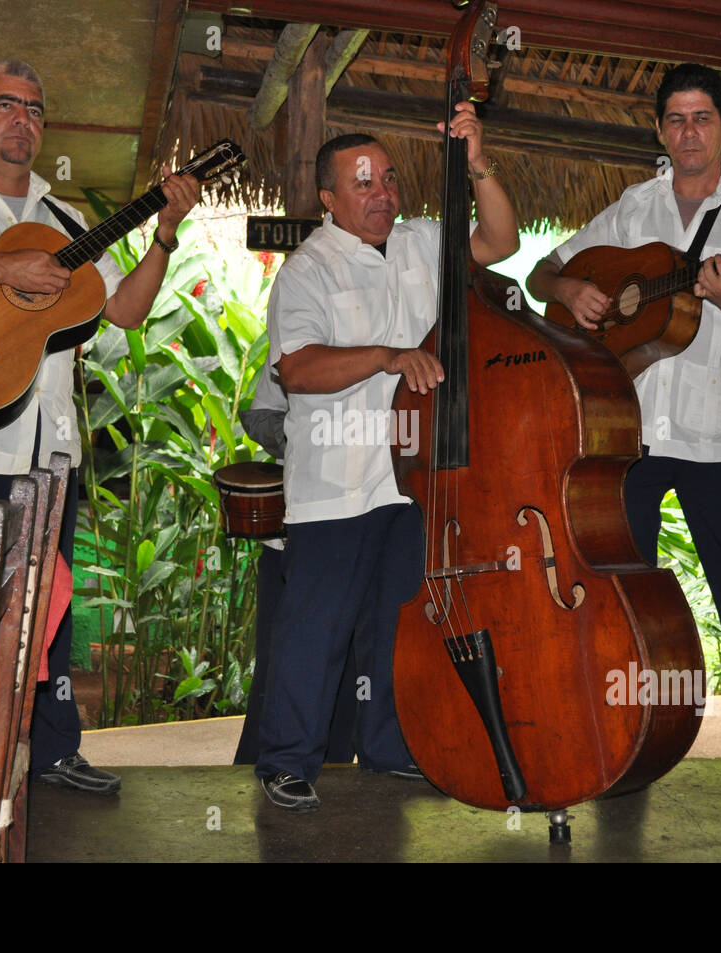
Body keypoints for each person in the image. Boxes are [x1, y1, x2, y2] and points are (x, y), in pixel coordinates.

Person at [0, 59, 200, 795]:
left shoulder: (65, 221)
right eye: (5, 104)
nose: (23, 119)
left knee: (48, 608)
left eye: (36, 109)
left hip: (47, 451)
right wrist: (2, 271)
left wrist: (166, 235)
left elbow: (124, 311)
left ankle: (51, 749)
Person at [526, 62, 721, 794]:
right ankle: (615, 742)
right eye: (676, 119)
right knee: (619, 594)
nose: (689, 132)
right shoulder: (633, 207)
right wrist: (572, 289)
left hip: (716, 438)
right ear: (659, 130)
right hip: (624, 436)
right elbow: (543, 273)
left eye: (703, 118)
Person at [256, 102, 520, 810]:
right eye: (364, 183)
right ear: (329, 198)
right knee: (317, 627)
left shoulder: (421, 242)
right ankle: (287, 759)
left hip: (411, 480)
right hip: (334, 483)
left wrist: (479, 163)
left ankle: (389, 748)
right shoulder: (306, 272)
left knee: (401, 625)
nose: (383, 195)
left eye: (390, 180)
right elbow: (299, 369)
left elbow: (500, 238)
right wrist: (389, 356)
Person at [232, 362, 358, 766]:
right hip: (295, 533)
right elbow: (258, 416)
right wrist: (316, 438)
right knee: (283, 667)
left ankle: (338, 773)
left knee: (353, 669)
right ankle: (269, 772)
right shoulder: (304, 314)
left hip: (372, 526)